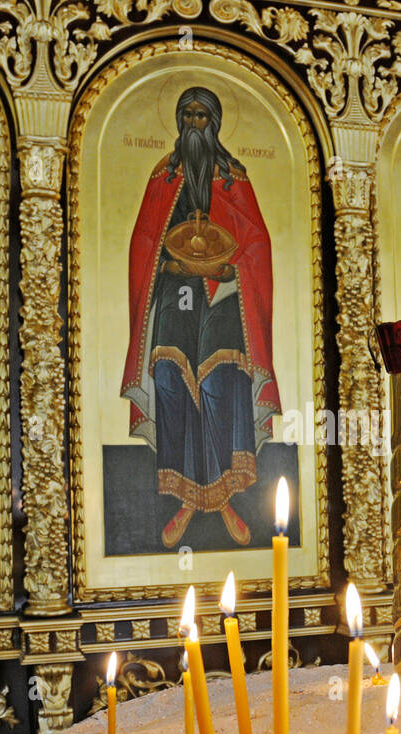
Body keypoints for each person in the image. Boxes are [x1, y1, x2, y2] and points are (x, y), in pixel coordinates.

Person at [121, 87, 277, 548]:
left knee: (219, 379)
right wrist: (168, 265)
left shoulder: (233, 178)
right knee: (171, 375)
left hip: (223, 291)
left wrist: (232, 268)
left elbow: (258, 243)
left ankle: (223, 494)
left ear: (215, 122)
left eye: (201, 116)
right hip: (176, 288)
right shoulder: (163, 176)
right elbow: (144, 241)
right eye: (187, 115)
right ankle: (187, 495)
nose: (194, 123)